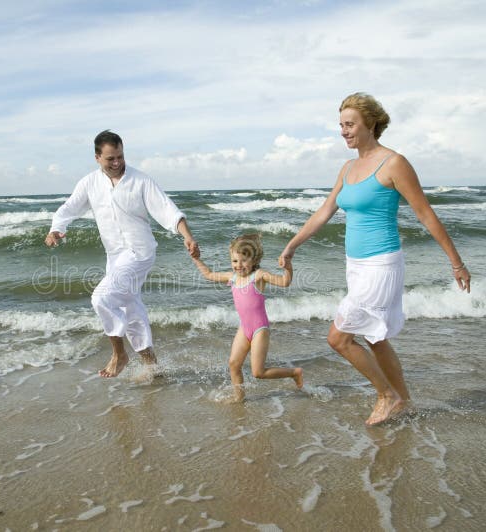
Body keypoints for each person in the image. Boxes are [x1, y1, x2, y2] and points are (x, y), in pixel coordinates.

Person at [279, 93, 471, 426]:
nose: (344, 131)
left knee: (338, 338)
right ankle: (405, 402)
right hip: (355, 266)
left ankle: (386, 395)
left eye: (350, 124)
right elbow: (325, 211)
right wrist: (292, 246)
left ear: (370, 124)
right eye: (341, 125)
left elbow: (426, 214)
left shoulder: (394, 163)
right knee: (375, 338)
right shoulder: (348, 168)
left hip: (382, 264)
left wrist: (456, 262)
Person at [45, 130, 199, 377]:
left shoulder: (141, 181)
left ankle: (119, 354)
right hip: (115, 257)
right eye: (110, 159)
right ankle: (153, 366)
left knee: (101, 298)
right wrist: (55, 229)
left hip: (139, 252)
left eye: (120, 156)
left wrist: (187, 236)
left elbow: (168, 210)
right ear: (97, 158)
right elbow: (68, 209)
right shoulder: (89, 183)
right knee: (130, 309)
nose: (117, 163)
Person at [192, 234, 303, 402]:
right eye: (235, 261)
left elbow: (284, 282)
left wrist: (288, 267)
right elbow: (208, 274)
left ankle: (294, 373)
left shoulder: (258, 276)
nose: (238, 265)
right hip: (244, 328)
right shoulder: (232, 277)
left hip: (260, 329)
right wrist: (196, 258)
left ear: (253, 260)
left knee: (258, 372)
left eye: (243, 260)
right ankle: (239, 398)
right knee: (234, 364)